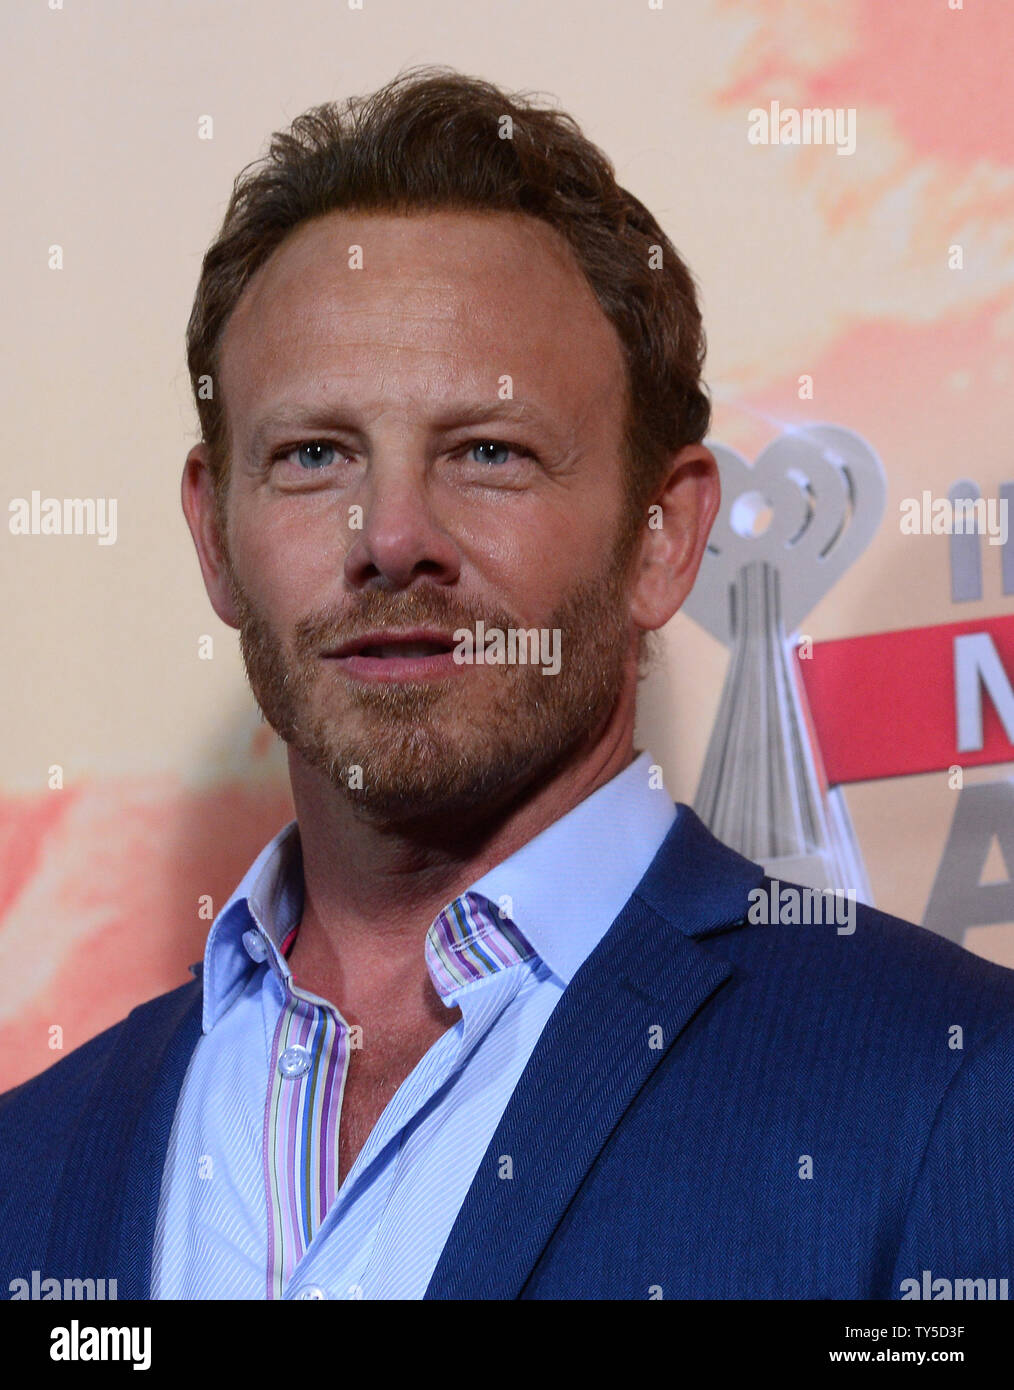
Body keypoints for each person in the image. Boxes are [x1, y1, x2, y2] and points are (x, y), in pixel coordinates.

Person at [2, 67, 1012, 1302]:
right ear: (216, 537)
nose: (390, 534)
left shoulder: (951, 1089)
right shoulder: (31, 1159)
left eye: (488, 451)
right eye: (315, 455)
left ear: (662, 538)